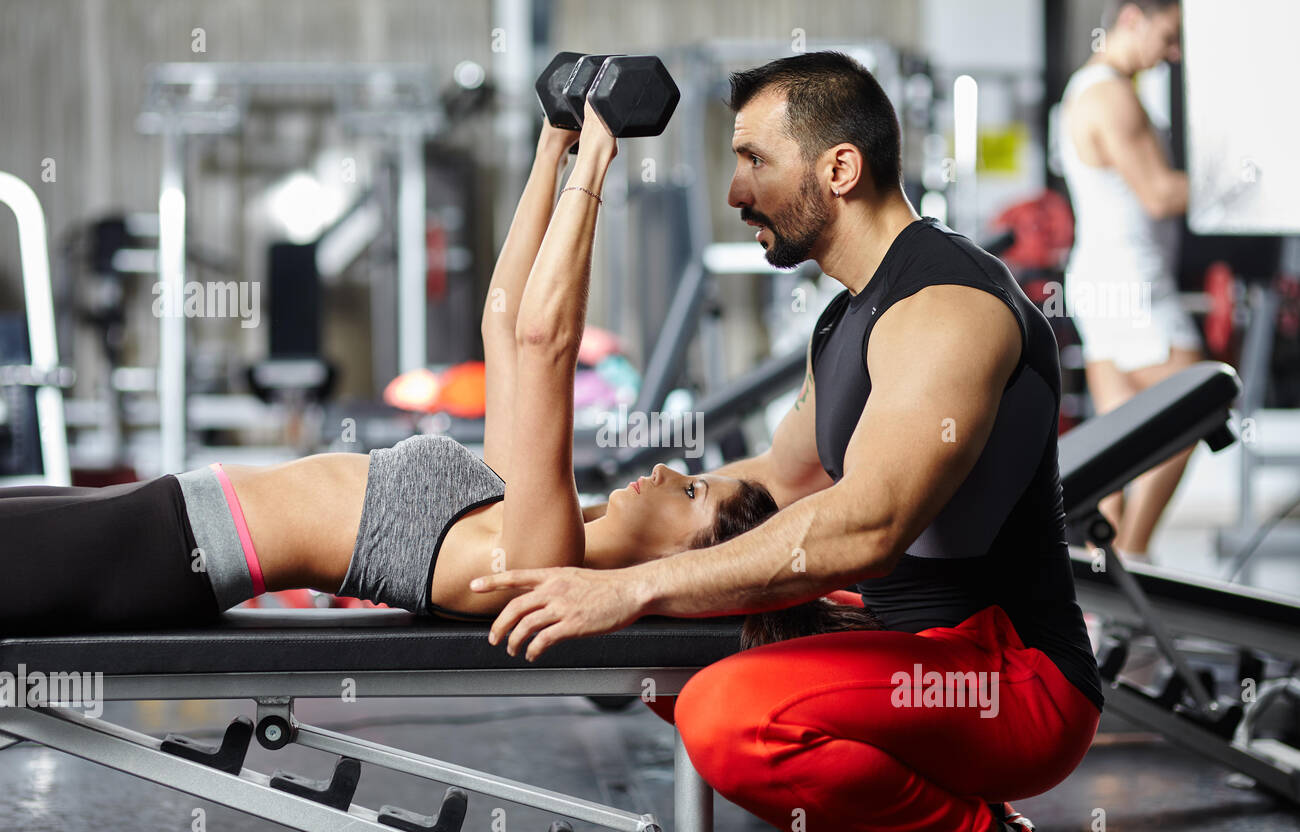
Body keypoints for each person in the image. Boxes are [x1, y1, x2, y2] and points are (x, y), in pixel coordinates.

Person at [471, 51, 1105, 832]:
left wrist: (635, 586)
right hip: (910, 646)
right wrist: (596, 534)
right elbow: (780, 477)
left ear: (840, 168)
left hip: (1010, 680)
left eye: (754, 162)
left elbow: (865, 525)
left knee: (727, 713)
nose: (736, 194)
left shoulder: (949, 307)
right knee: (678, 635)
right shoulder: (845, 320)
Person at [0, 94, 876, 648]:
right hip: (173, 515)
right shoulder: (542, 517)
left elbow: (545, 346)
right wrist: (552, 150)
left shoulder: (545, 552)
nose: (665, 472)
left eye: (691, 496)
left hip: (176, 550)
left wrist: (597, 169)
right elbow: (505, 327)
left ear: (692, 563)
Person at [1060, 0, 1202, 563]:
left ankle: (1110, 585)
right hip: (1129, 281)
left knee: (1118, 447)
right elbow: (1161, 194)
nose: (1174, 53)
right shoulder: (1111, 95)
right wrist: (1254, 178)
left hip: (1104, 277)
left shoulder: (1090, 87)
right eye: (1169, 36)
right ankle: (1138, 557)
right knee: (1197, 399)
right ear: (1132, 17)